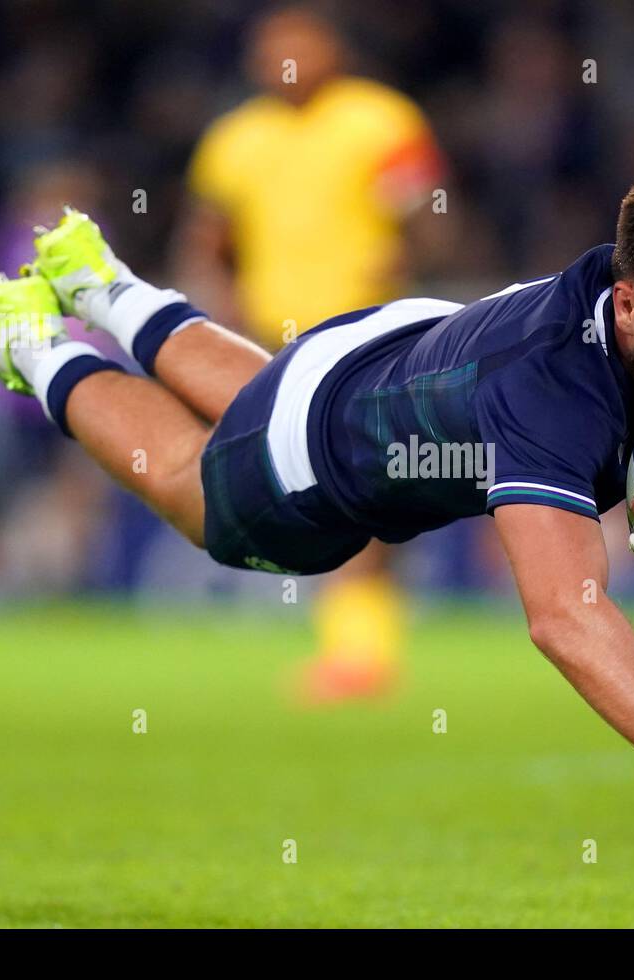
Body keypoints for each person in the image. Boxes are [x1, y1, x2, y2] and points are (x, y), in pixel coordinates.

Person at [0, 161, 634, 832]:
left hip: (399, 336)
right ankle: (36, 347)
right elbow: (566, 615)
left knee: (259, 401)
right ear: (624, 308)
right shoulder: (551, 386)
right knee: (202, 494)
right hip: (332, 447)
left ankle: (99, 279)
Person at [175, 6, 447, 701]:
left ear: (333, 49)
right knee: (309, 491)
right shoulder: (235, 139)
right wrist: (213, 307)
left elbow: (433, 217)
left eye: (299, 46)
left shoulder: (379, 120)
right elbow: (207, 240)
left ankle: (361, 651)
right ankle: (352, 643)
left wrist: (410, 260)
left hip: (367, 338)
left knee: (365, 485)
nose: (285, 60)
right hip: (272, 342)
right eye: (272, 49)